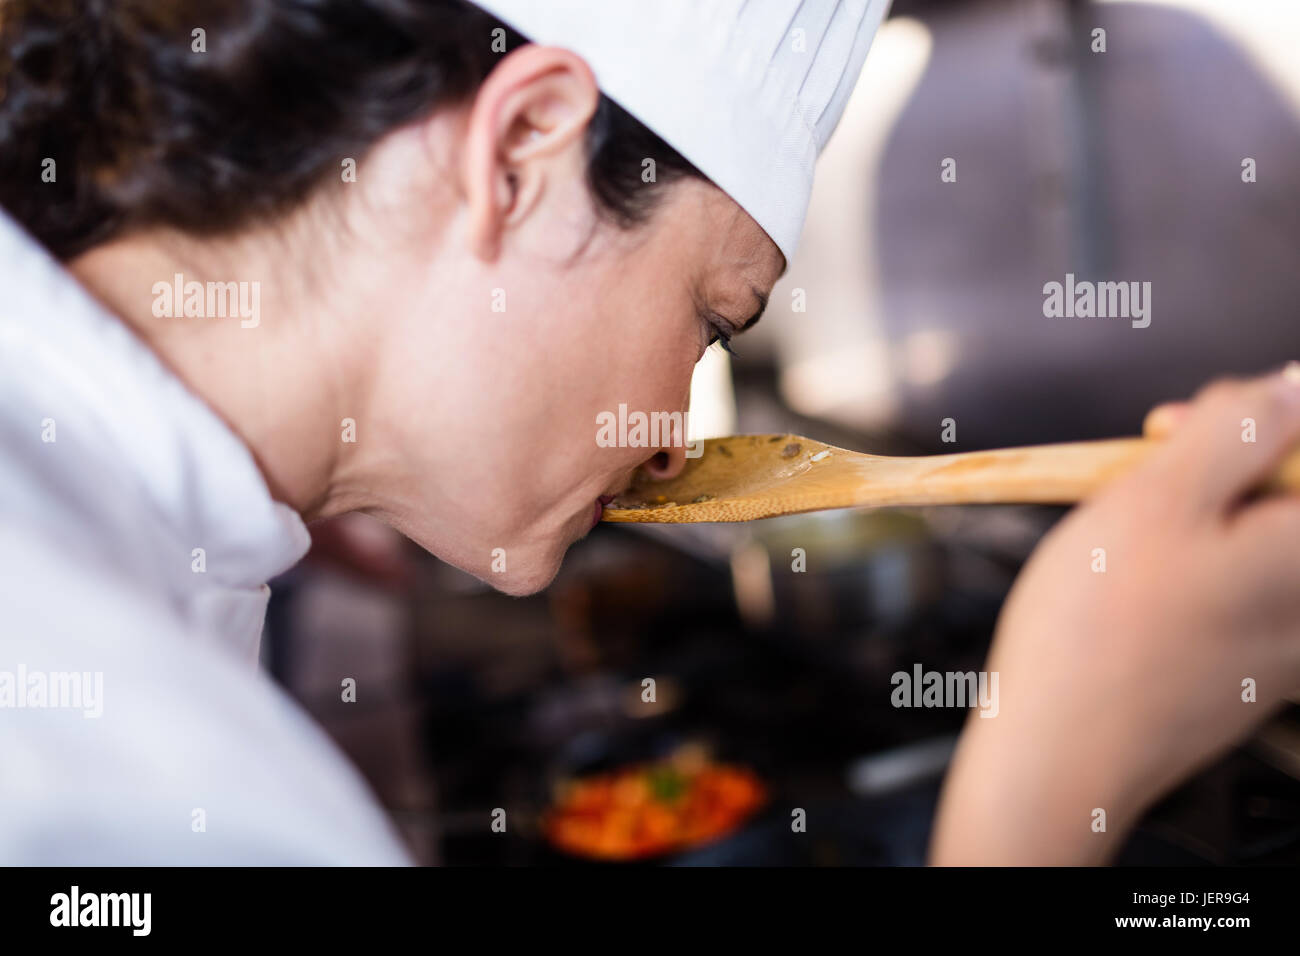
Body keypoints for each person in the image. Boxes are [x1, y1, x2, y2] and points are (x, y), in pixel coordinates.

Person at [0, 0, 1296, 865]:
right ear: (523, 150)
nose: (674, 437)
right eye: (711, 319)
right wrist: (1056, 774)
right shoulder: (119, 759)